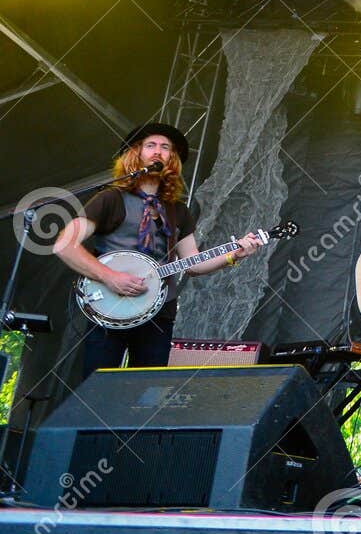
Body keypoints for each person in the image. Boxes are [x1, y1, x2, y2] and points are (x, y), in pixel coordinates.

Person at [53, 123, 261, 376]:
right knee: (97, 389)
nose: (157, 152)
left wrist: (232, 255)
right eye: (150, 145)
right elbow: (64, 244)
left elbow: (193, 263)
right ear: (136, 154)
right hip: (109, 306)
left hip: (159, 313)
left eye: (165, 148)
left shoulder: (179, 211)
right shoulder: (111, 198)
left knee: (146, 392)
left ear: (172, 159)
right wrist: (110, 277)